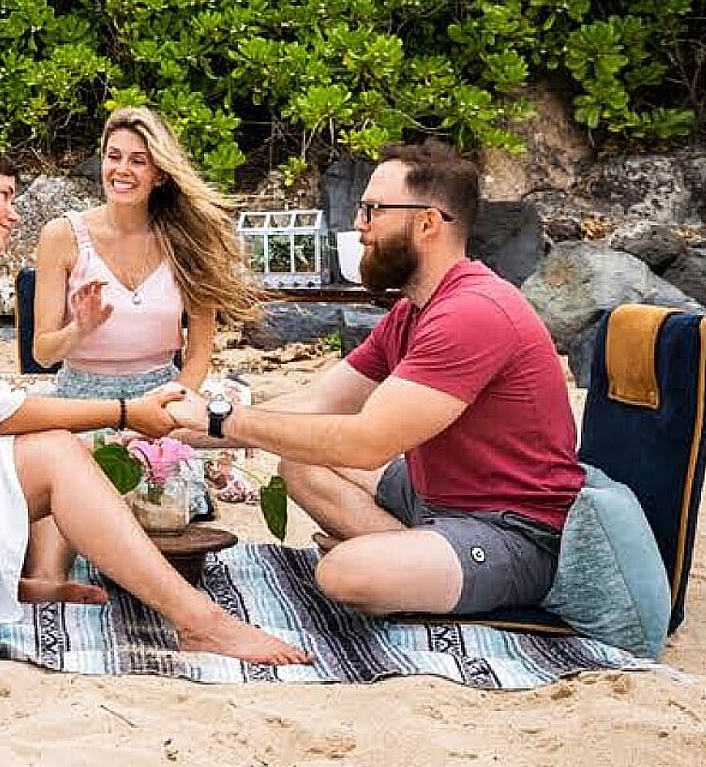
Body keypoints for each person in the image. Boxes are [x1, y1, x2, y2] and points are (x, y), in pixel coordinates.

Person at [0, 137, 308, 665]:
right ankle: (199, 622)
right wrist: (124, 413)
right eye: (4, 194)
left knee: (58, 446)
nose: (12, 213)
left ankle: (37, 581)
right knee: (57, 452)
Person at [166, 140, 586, 617]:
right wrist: (188, 430)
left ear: (427, 223)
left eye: (372, 210)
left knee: (344, 574)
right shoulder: (413, 311)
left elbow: (366, 444)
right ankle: (415, 561)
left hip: (513, 531)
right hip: (437, 498)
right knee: (301, 465)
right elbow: (320, 401)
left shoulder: (472, 313)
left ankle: (409, 567)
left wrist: (223, 421)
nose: (359, 225)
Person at [32, 106, 262, 400]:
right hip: (80, 402)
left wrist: (173, 400)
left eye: (138, 161)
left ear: (160, 175)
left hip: (164, 396)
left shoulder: (189, 239)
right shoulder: (61, 235)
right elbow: (43, 353)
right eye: (113, 156)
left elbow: (199, 353)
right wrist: (80, 328)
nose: (122, 169)